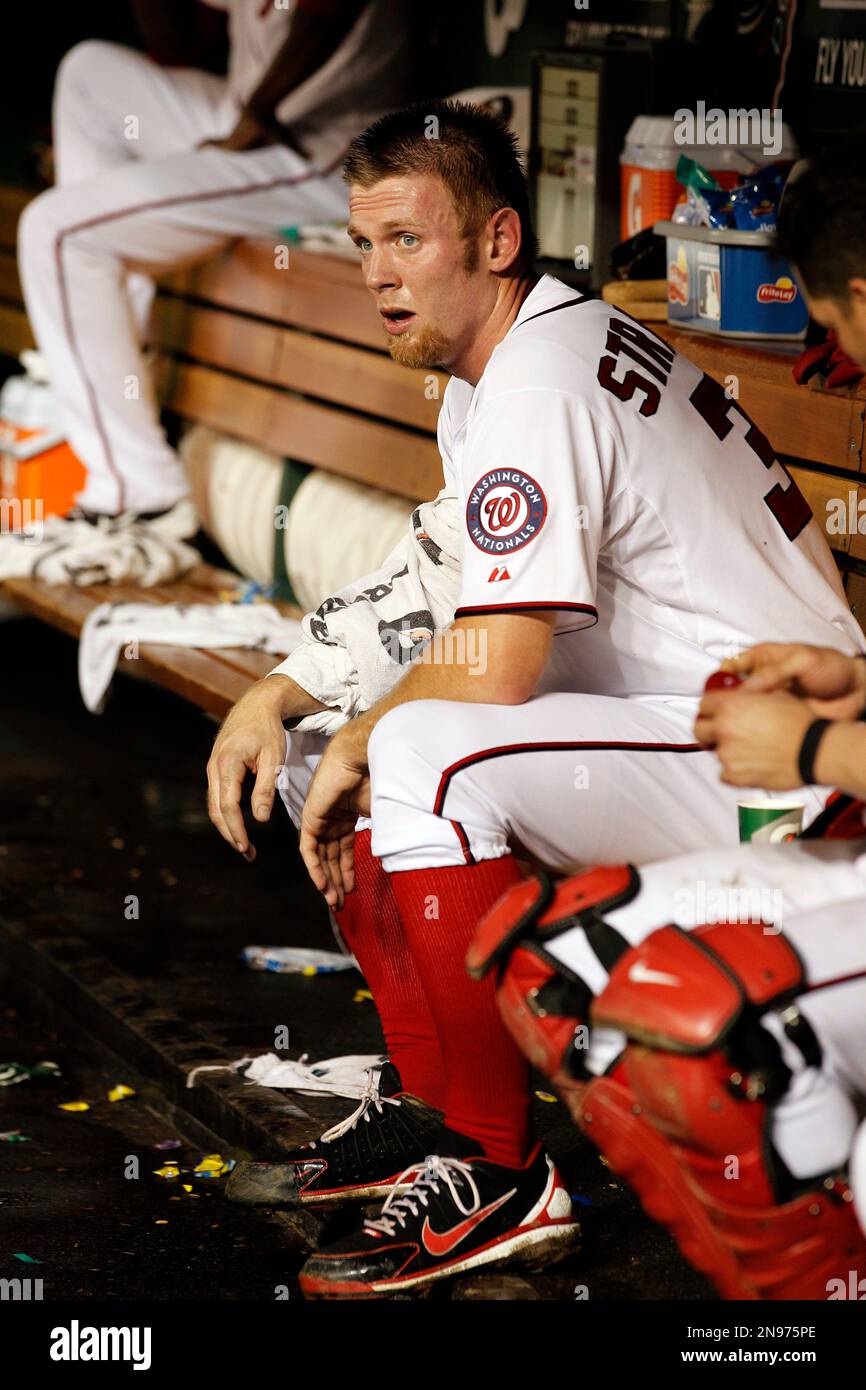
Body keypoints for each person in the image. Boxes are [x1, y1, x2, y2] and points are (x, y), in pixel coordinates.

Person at [208, 103, 862, 1297]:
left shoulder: (541, 377)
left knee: (419, 756)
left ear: (498, 240)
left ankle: (499, 1170)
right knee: (324, 755)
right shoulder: (502, 365)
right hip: (682, 728)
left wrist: (372, 727)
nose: (377, 276)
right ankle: (430, 1108)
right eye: (364, 245)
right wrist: (288, 690)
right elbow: (443, 573)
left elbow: (499, 660)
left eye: (408, 241)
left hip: (788, 773)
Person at [17, 0, 412, 524]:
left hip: (328, 153)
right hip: (248, 121)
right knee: (89, 73)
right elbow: (179, 45)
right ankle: (117, 372)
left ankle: (139, 491)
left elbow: (325, 15)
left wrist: (255, 116)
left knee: (58, 233)